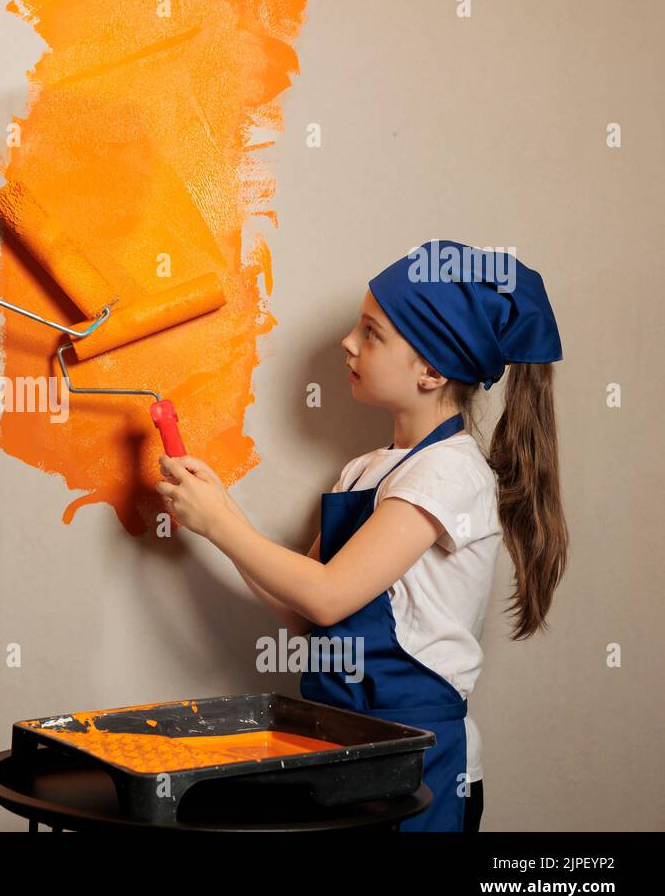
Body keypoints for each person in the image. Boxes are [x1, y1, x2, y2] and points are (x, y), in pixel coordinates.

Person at [156, 240, 567, 831]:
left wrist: (220, 519)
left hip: (417, 764)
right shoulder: (366, 470)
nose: (348, 342)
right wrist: (219, 521)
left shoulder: (450, 472)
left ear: (431, 370)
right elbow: (305, 610)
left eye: (372, 333)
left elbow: (329, 593)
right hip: (340, 751)